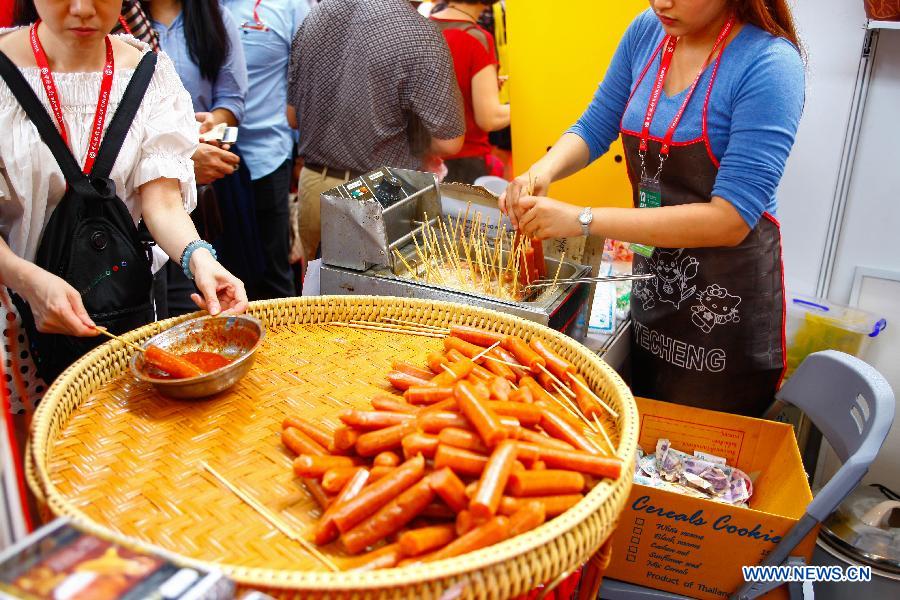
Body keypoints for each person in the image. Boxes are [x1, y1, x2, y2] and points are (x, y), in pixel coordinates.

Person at [501, 0, 805, 417]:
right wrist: (542, 169)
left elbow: (730, 219)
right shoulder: (648, 31)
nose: (661, 2)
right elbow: (595, 124)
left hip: (724, 309)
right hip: (654, 284)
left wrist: (582, 219)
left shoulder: (769, 65)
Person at [0, 0, 247, 412]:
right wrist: (28, 282)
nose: (82, 9)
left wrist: (200, 259)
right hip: (17, 327)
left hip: (119, 315)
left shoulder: (150, 74)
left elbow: (162, 203)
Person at [287, 0, 465, 267]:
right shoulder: (419, 32)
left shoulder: (316, 15)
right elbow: (449, 142)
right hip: (380, 196)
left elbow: (292, 117)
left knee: (321, 301)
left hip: (315, 187)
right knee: (380, 306)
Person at [141, 0, 263, 314]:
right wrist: (185, 153)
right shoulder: (129, 25)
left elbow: (231, 97)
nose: (82, 9)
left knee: (200, 296)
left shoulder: (214, 17)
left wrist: (212, 125)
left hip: (205, 175)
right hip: (140, 192)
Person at [222, 0, 309, 300]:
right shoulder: (203, 9)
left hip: (266, 155)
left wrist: (301, 152)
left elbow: (303, 77)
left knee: (272, 270)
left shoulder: (290, 6)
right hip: (206, 161)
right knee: (220, 271)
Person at [431, 1, 509, 184]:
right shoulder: (476, 39)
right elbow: (489, 118)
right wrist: (525, 108)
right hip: (466, 165)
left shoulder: (423, 28)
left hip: (421, 161)